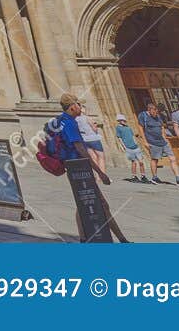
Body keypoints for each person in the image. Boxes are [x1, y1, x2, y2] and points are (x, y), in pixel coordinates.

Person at [51, 93, 127, 241]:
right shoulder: (71, 123)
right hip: (80, 167)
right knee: (102, 204)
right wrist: (100, 171)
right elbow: (80, 148)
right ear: (73, 107)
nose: (81, 107)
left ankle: (83, 239)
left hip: (71, 166)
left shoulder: (60, 120)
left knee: (82, 203)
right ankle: (122, 240)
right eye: (79, 104)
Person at [137, 102, 179, 185]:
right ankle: (154, 177)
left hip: (163, 141)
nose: (156, 113)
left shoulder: (158, 116)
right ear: (149, 110)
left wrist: (165, 138)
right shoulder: (143, 116)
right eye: (154, 111)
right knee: (155, 159)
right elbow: (140, 128)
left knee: (172, 158)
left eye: (157, 111)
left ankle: (178, 178)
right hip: (152, 141)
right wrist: (145, 141)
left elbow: (162, 126)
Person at [76, 100, 108, 179]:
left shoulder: (76, 119)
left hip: (84, 140)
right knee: (101, 157)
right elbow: (94, 128)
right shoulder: (87, 118)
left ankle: (97, 176)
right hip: (93, 138)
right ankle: (102, 176)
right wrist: (96, 127)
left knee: (93, 158)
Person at [114, 113, 148, 183]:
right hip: (128, 147)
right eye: (122, 120)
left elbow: (132, 136)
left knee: (141, 162)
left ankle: (143, 176)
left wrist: (136, 143)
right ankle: (134, 176)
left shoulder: (128, 127)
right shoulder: (118, 128)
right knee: (134, 162)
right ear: (119, 120)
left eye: (124, 120)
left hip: (135, 146)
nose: (124, 121)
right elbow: (119, 138)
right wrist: (123, 147)